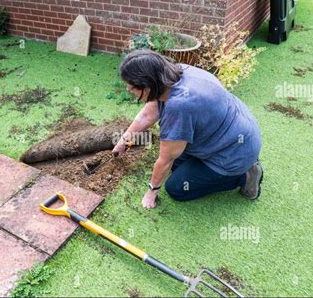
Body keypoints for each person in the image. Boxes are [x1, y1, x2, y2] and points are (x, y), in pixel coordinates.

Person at [112, 50, 263, 209]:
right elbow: (146, 116)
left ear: (148, 85)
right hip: (232, 131)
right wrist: (124, 142)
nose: (129, 92)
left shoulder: (179, 106)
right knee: (177, 165)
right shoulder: (174, 73)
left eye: (131, 88)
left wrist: (152, 191)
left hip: (234, 153)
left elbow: (166, 160)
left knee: (177, 188)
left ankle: (244, 176)